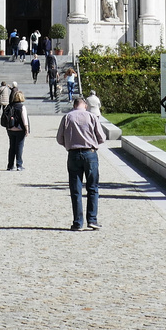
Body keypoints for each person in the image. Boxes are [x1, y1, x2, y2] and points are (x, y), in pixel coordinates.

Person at [56, 96, 108, 230]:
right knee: (92, 188)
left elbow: (59, 138)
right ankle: (92, 219)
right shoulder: (91, 117)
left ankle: (78, 222)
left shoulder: (67, 117)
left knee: (75, 189)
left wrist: (69, 144)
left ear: (74, 105)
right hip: (90, 153)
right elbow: (102, 137)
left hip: (73, 154)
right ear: (85, 105)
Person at [2, 88, 31, 170]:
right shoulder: (22, 107)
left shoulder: (9, 106)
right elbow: (24, 119)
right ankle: (19, 164)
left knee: (12, 147)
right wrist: (27, 129)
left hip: (10, 129)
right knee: (19, 147)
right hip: (20, 129)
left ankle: (10, 165)